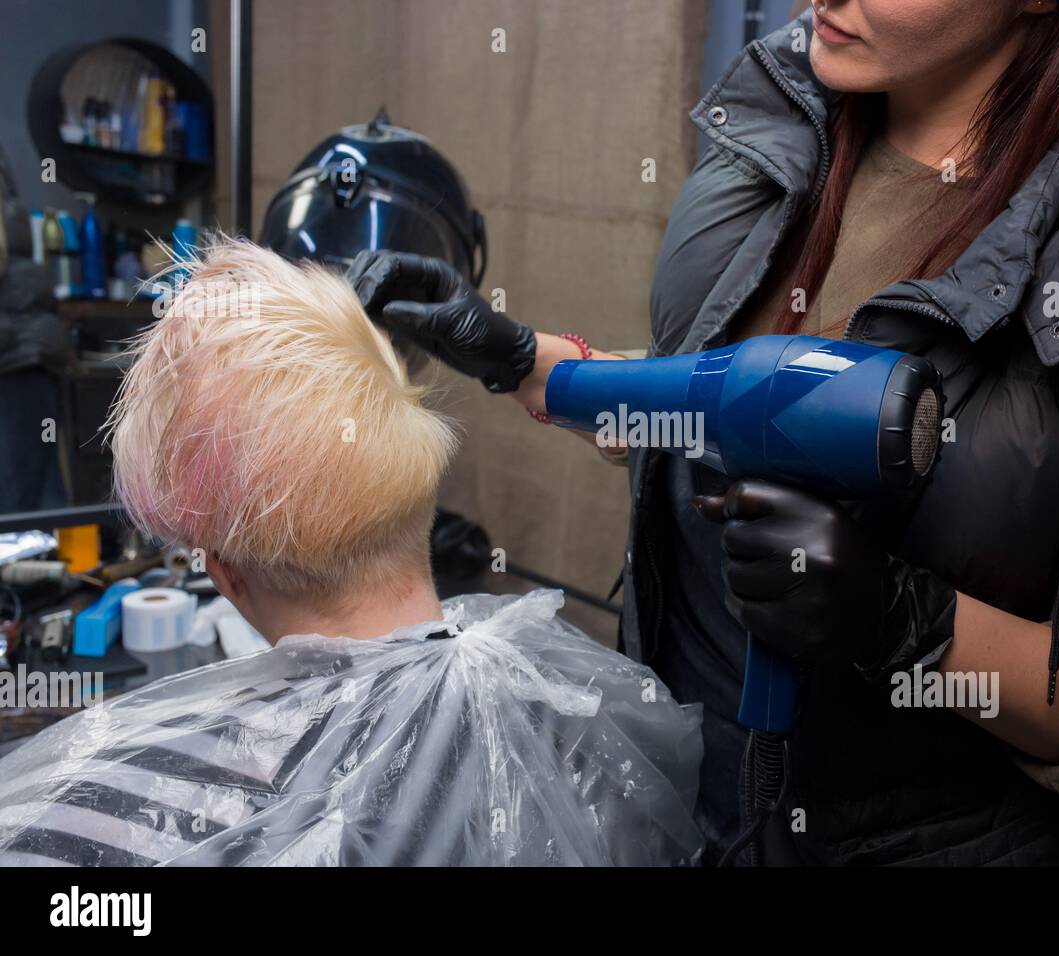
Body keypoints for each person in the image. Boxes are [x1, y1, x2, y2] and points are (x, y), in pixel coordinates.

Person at [349, 0, 1059, 865]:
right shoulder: (786, 131)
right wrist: (526, 363)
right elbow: (719, 405)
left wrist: (912, 627)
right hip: (698, 804)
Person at [0, 238, 704, 866]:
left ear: (225, 575)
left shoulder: (91, 816)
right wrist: (522, 359)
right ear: (419, 490)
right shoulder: (589, 723)